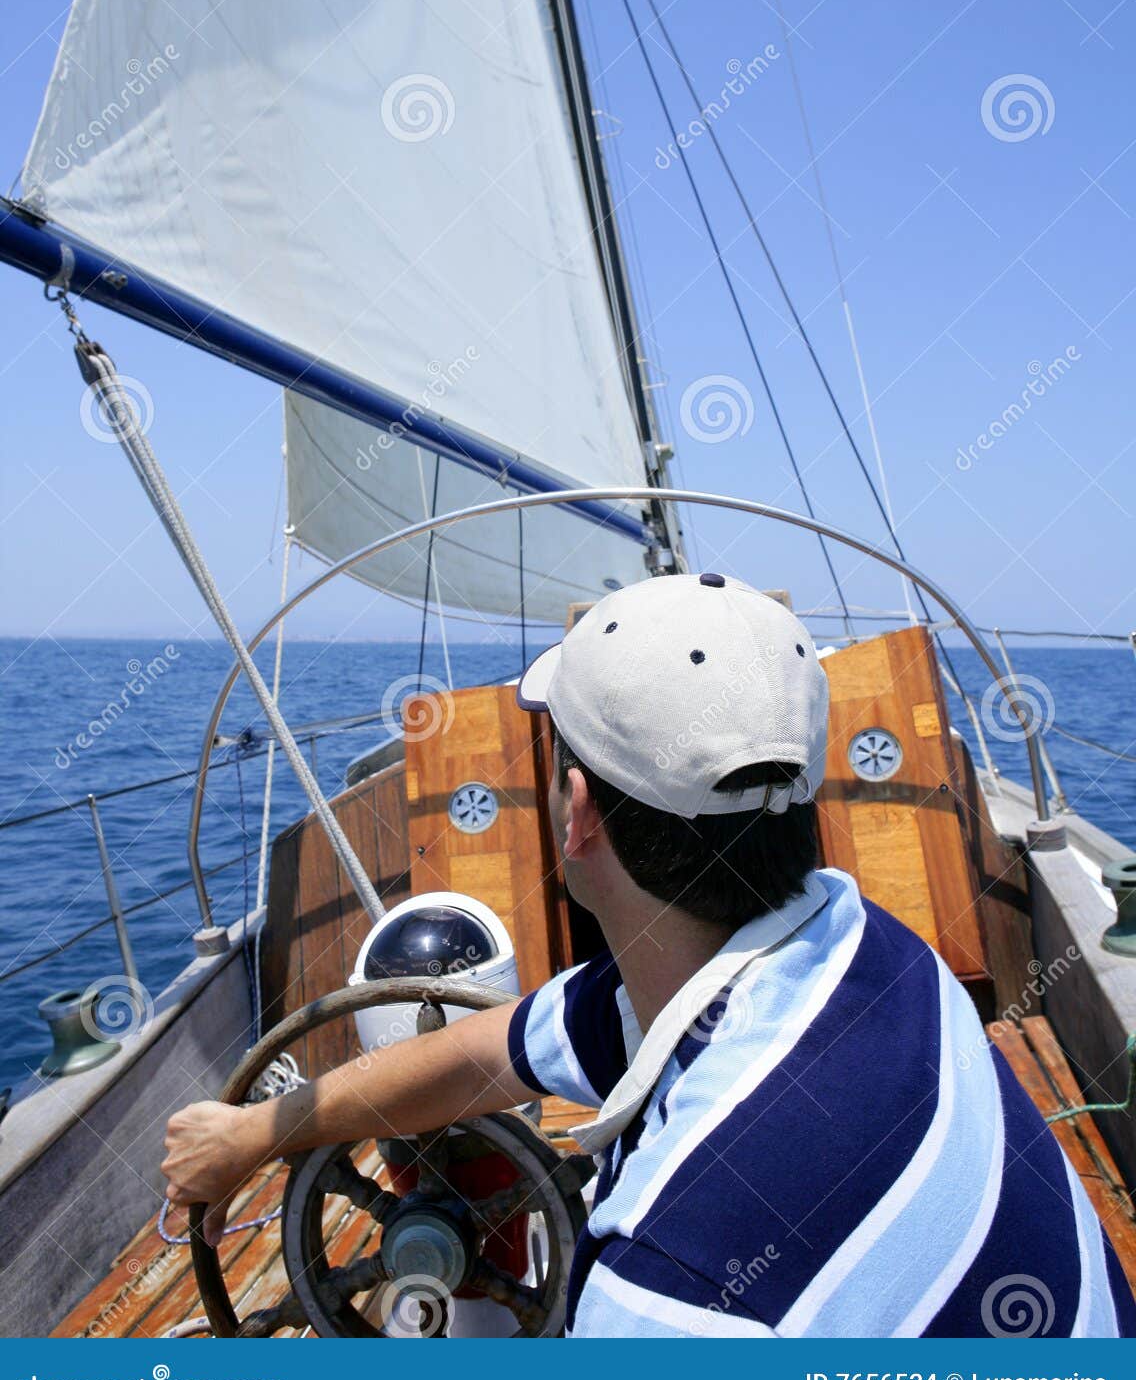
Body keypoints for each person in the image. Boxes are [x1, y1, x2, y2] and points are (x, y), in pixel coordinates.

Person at [163, 572, 1136, 1337]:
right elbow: (485, 1053)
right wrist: (257, 1135)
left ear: (575, 813)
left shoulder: (670, 1294)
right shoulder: (875, 951)